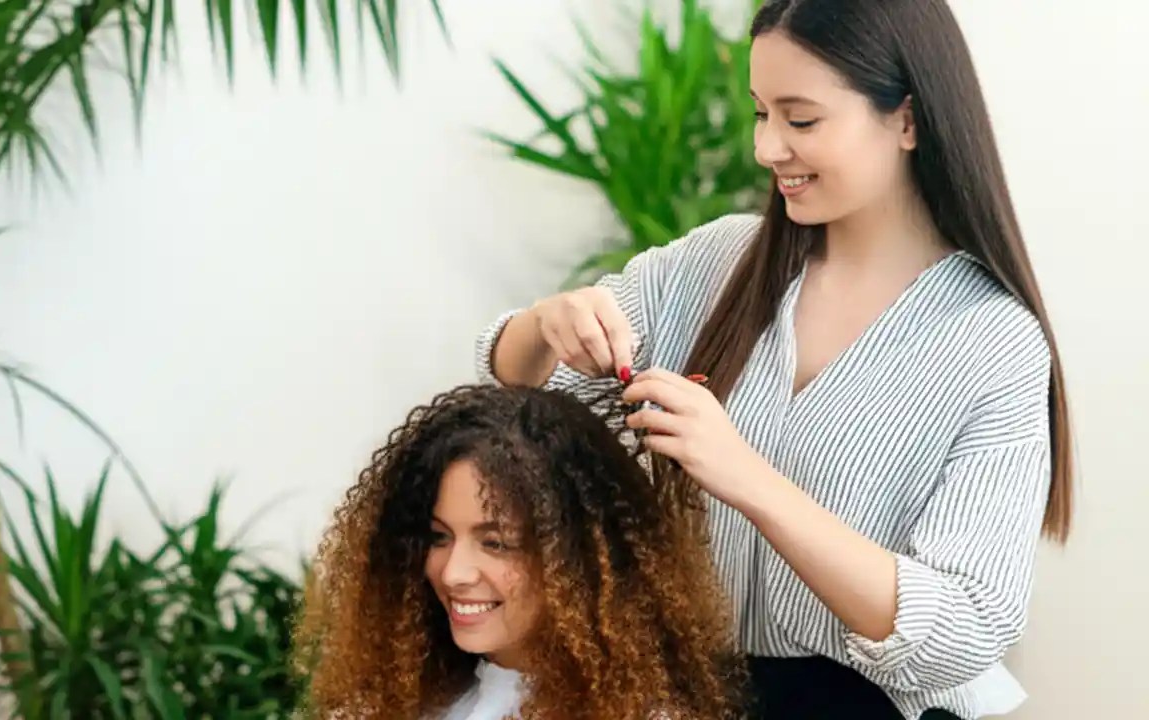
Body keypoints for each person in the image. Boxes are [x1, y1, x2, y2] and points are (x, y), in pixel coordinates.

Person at [473, 1, 1072, 718]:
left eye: (801, 120)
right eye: (761, 113)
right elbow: (520, 394)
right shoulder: (715, 262)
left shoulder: (993, 340)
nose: (766, 147)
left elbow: (966, 628)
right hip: (696, 697)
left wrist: (747, 477)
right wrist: (546, 324)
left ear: (907, 120)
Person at [296, 383, 750, 719]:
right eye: (438, 537)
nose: (454, 573)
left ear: (580, 560)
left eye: (495, 543)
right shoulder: (384, 707)